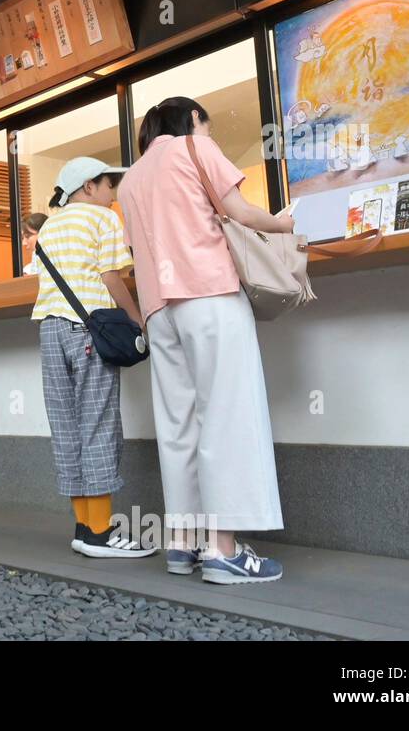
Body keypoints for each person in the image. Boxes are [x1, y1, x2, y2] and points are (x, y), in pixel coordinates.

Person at [117, 96, 293, 584]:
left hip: (159, 311)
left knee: (179, 426)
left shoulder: (130, 181)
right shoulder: (193, 147)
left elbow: (137, 251)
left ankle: (183, 544)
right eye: (207, 125)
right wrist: (284, 223)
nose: (209, 134)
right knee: (227, 414)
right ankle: (224, 551)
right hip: (208, 294)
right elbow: (239, 210)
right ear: (192, 120)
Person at [31, 158, 152, 559]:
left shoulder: (49, 226)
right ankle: (101, 532)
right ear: (88, 187)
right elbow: (111, 277)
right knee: (98, 423)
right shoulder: (102, 220)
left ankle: (83, 527)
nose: (113, 193)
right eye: (108, 185)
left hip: (50, 330)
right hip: (88, 330)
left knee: (65, 424)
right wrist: (139, 321)